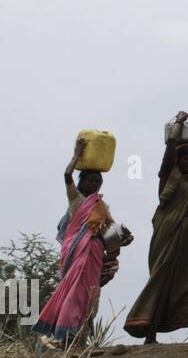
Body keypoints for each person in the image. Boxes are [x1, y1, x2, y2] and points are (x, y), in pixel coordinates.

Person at [124, 111, 188, 343]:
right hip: (168, 235)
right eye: (187, 159)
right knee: (162, 279)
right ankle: (149, 334)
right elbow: (170, 148)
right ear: (178, 160)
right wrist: (178, 124)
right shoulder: (169, 174)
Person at [34, 138, 124, 346]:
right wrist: (76, 155)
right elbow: (67, 175)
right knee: (73, 297)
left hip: (94, 257)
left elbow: (112, 232)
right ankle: (64, 340)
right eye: (90, 180)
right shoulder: (76, 200)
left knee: (89, 298)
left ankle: (79, 343)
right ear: (82, 181)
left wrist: (124, 238)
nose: (94, 184)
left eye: (97, 181)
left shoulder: (102, 206)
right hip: (77, 257)